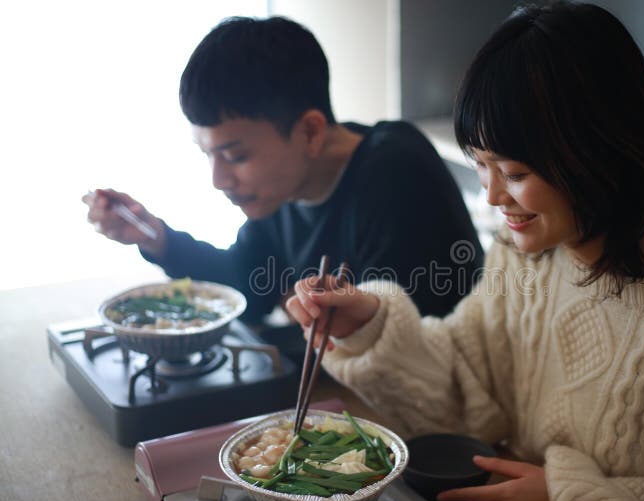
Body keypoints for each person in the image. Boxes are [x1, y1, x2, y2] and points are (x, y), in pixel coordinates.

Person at [285, 3, 644, 501]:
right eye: (481, 166)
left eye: (515, 171)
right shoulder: (530, 256)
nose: (492, 195)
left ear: (595, 150)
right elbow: (469, 378)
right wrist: (366, 325)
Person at [83, 16, 483, 326]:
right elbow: (248, 283)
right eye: (207, 155)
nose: (218, 180)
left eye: (235, 156)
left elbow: (392, 340)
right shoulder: (284, 186)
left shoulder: (395, 174)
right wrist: (157, 239)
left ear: (309, 131)